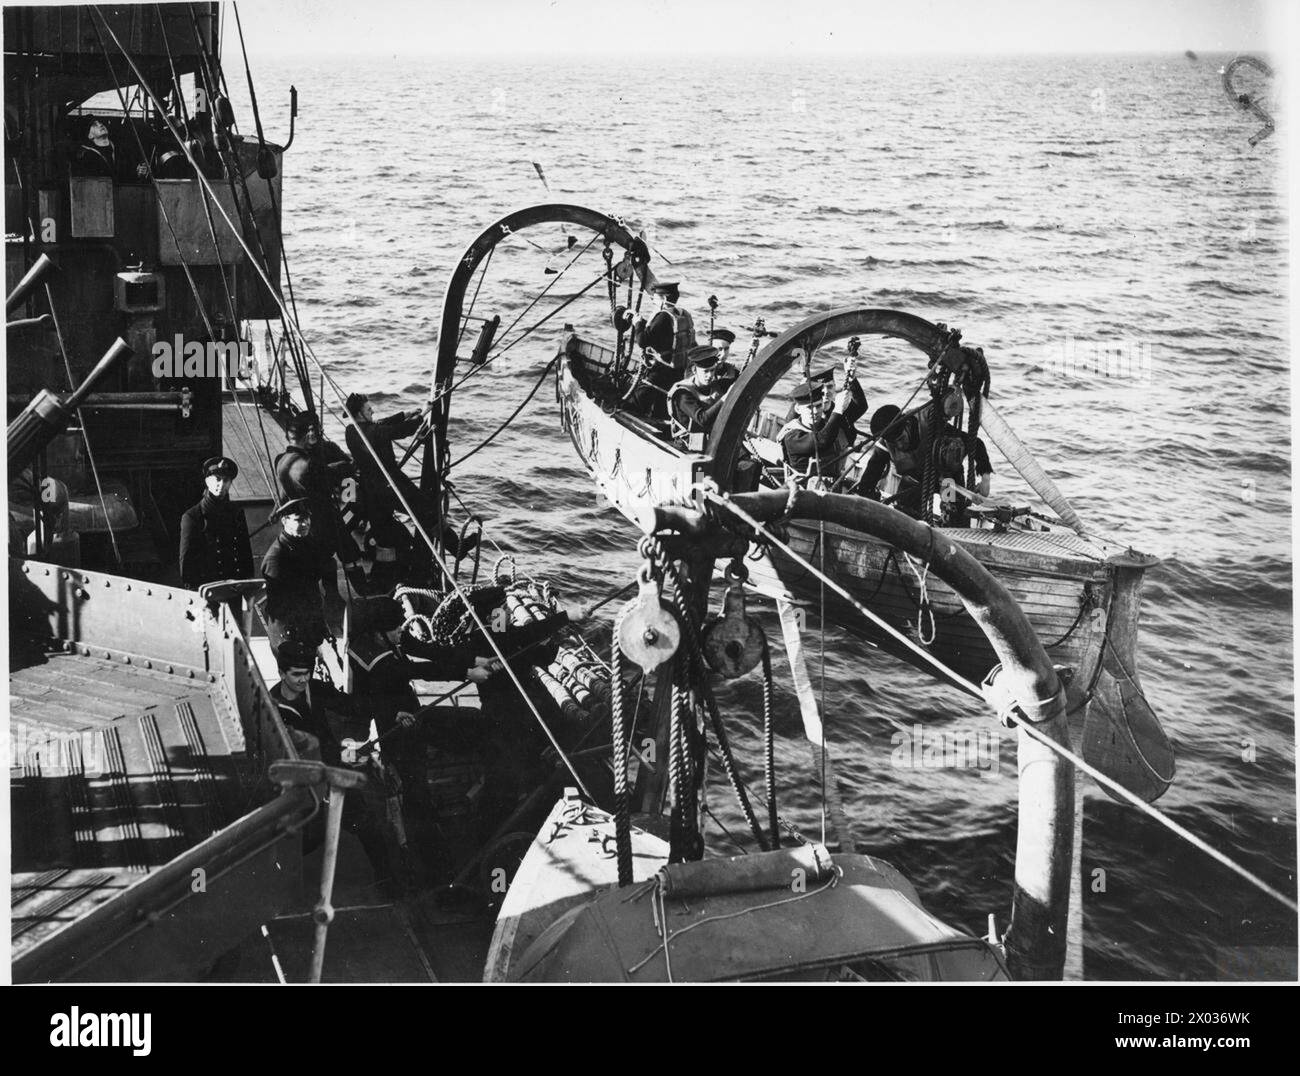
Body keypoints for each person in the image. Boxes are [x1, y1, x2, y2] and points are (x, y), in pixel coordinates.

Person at [270, 640, 408, 896]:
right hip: (305, 782)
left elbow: (352, 705)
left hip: (332, 773)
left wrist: (393, 712)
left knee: (365, 823)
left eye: (307, 673)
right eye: (296, 674)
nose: (303, 679)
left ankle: (388, 883)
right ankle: (271, 874)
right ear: (281, 673)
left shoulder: (315, 689)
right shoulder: (274, 707)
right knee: (310, 836)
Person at [343, 393, 475, 576]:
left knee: (384, 532)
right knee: (427, 510)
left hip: (371, 489)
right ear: (359, 414)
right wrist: (422, 415)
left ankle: (384, 573)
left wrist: (406, 414)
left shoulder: (351, 431)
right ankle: (457, 548)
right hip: (390, 484)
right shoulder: (372, 432)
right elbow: (397, 431)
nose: (372, 410)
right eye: (368, 409)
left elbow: (382, 423)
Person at [854, 402, 993, 523]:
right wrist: (865, 500)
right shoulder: (887, 442)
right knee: (904, 518)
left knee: (954, 516)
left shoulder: (930, 426)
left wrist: (985, 478)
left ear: (907, 425)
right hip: (914, 480)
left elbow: (976, 444)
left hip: (947, 481)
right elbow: (871, 475)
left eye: (901, 439)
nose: (899, 445)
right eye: (894, 443)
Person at [260, 498, 341, 652]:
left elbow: (326, 565)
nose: (305, 524)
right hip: (288, 633)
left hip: (309, 627)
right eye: (299, 520)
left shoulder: (307, 544)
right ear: (284, 521)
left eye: (307, 518)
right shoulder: (276, 558)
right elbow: (279, 606)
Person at [274, 412, 353, 560]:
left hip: (308, 516)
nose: (312, 433)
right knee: (346, 553)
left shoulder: (282, 459)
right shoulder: (308, 463)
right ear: (303, 435)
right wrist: (344, 467)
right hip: (320, 515)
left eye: (314, 429)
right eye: (308, 430)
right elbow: (328, 473)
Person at [778, 375, 868, 488]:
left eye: (818, 405)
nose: (815, 411)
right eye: (809, 407)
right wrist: (838, 410)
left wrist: (852, 378)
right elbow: (821, 441)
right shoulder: (792, 436)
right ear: (798, 409)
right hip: (803, 490)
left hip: (832, 487)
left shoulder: (826, 424)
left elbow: (858, 408)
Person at [178, 456, 254, 589]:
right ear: (207, 481)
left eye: (226, 480)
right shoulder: (192, 517)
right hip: (208, 587)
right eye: (217, 479)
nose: (221, 484)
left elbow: (244, 552)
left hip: (234, 585)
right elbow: (187, 562)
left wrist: (247, 584)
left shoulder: (236, 513)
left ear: (230, 483)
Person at [631, 282, 697, 421]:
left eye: (655, 298)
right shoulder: (683, 314)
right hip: (677, 372)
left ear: (664, 299)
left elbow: (642, 341)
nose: (654, 301)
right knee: (662, 406)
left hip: (659, 372)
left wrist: (637, 323)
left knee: (636, 404)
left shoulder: (662, 317)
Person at [668, 345, 732, 440]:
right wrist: (724, 399)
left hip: (712, 439)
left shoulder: (716, 385)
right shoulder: (682, 393)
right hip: (689, 444)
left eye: (712, 370)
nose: (710, 375)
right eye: (705, 371)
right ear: (694, 370)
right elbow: (702, 419)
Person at [71, 119, 148, 181]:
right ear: (90, 135)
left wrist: (138, 172)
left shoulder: (121, 150)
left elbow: (129, 175)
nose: (100, 125)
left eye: (100, 123)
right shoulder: (86, 156)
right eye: (95, 125)